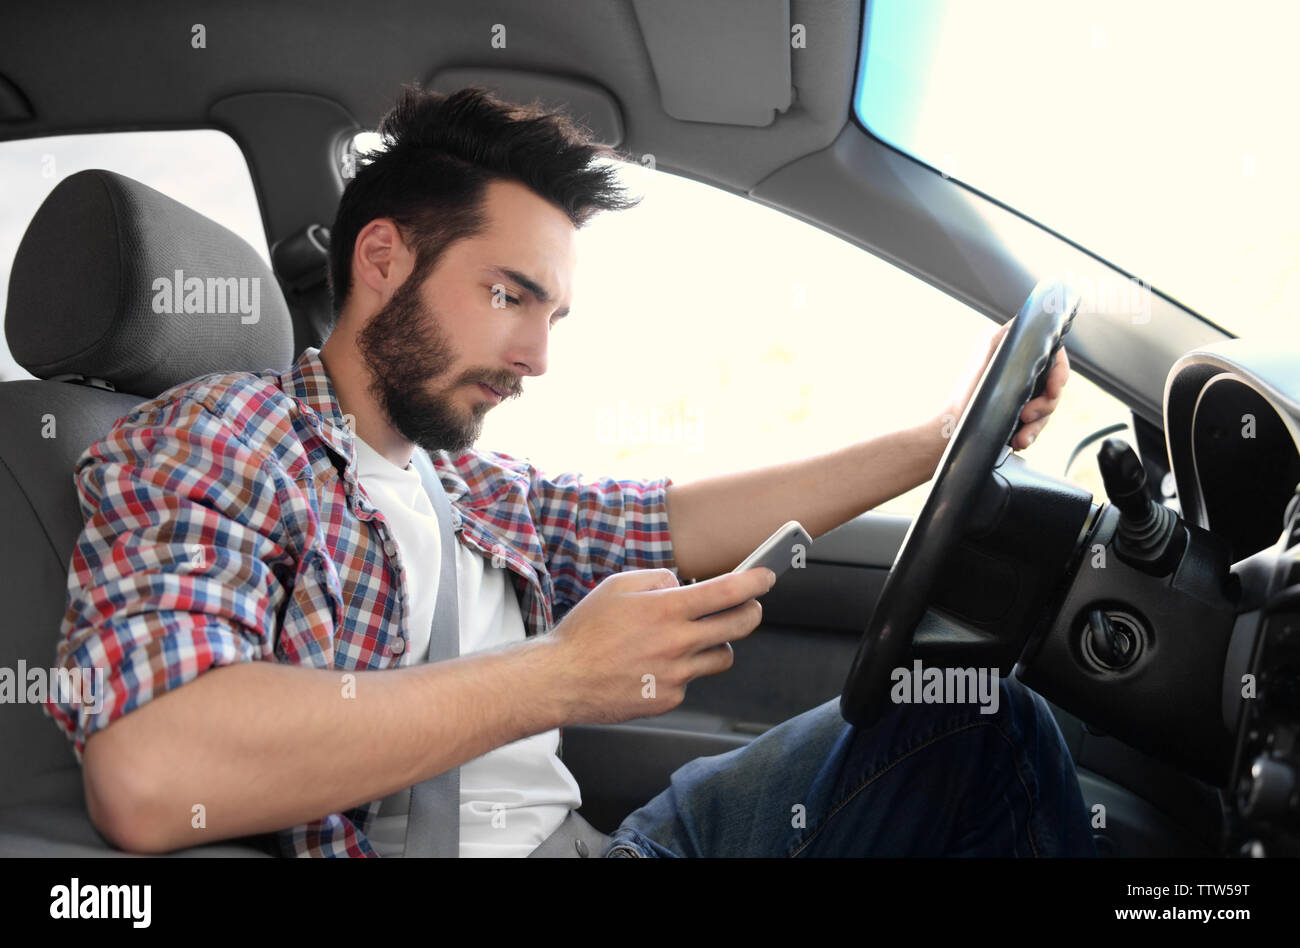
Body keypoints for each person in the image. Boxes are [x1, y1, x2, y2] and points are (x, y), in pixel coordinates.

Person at [46, 85, 1092, 857]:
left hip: (612, 843)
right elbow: (149, 771)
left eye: (553, 315)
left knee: (975, 716)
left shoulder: (472, 489)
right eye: (509, 295)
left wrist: (942, 438)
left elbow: (680, 519)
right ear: (381, 261)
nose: (538, 356)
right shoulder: (227, 436)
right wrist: (562, 674)